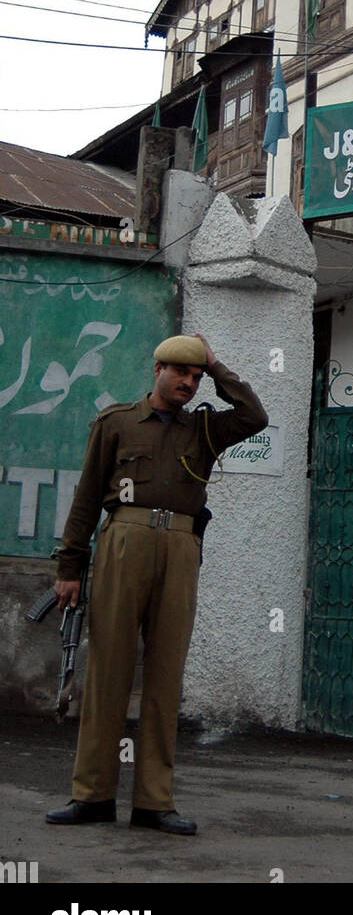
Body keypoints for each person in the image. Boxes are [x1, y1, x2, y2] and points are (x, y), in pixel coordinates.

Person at [45, 333, 268, 836]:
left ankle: (154, 802)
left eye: (195, 376)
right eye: (180, 373)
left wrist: (216, 365)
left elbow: (256, 415)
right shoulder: (116, 422)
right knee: (108, 673)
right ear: (157, 370)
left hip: (181, 548)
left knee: (165, 677)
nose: (188, 383)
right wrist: (69, 569)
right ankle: (92, 795)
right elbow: (85, 498)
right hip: (123, 541)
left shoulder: (206, 430)